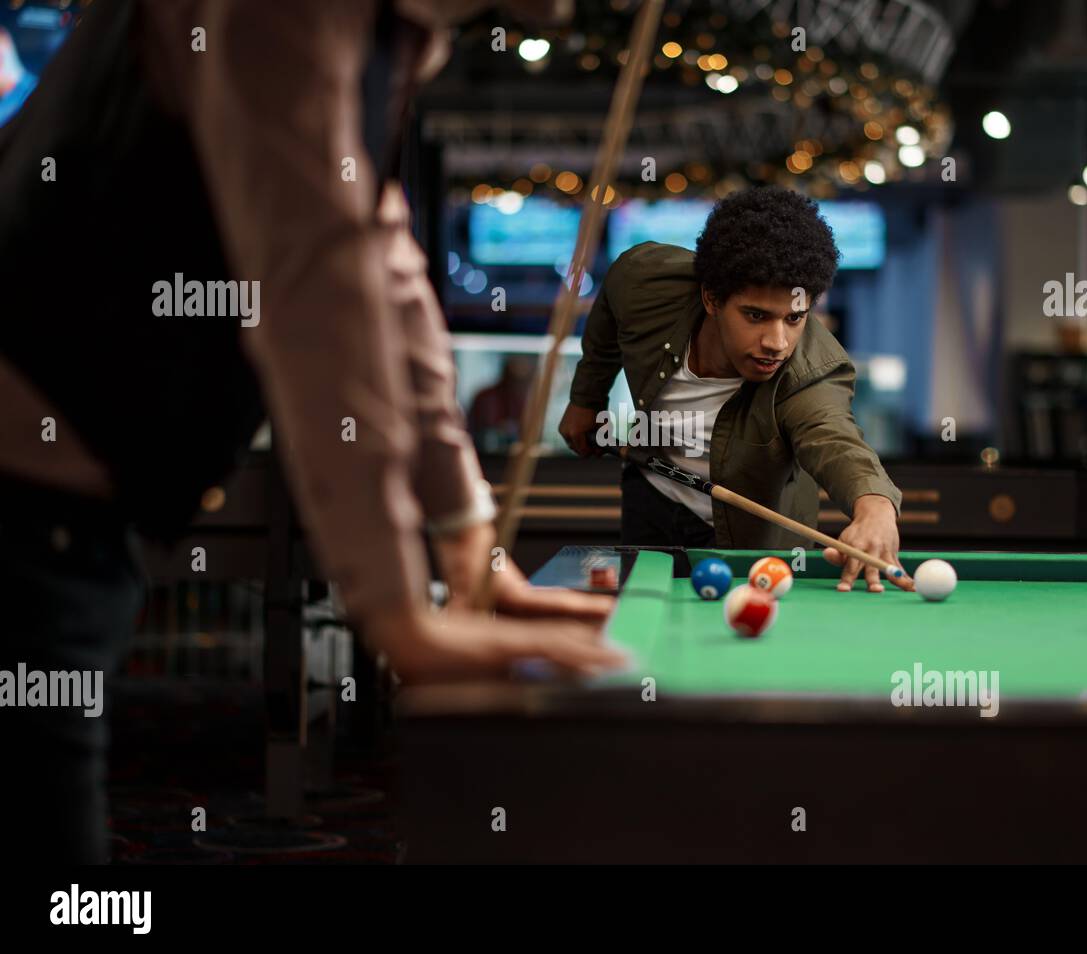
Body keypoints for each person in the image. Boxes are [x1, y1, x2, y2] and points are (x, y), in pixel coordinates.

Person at [0, 0, 619, 864]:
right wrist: (400, 614)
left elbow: (385, 274)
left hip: (66, 507)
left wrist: (472, 550)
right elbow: (317, 283)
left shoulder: (390, 31)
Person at [559, 186, 910, 592]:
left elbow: (834, 438)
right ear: (712, 299)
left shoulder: (811, 372)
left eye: (794, 318)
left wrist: (875, 508)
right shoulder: (645, 282)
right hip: (652, 491)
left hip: (749, 538)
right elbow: (609, 314)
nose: (776, 342)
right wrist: (586, 398)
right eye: (756, 315)